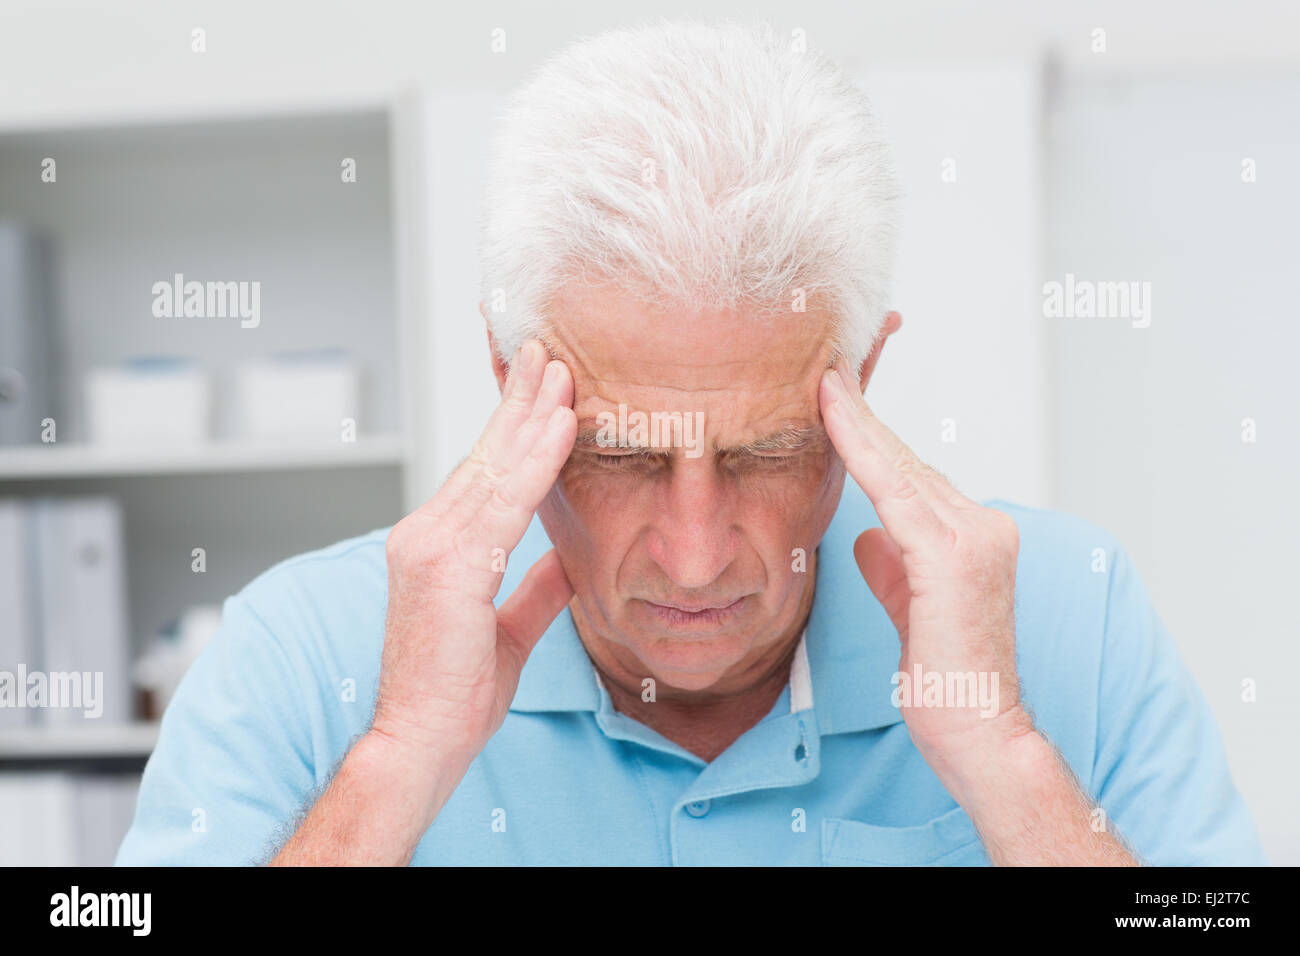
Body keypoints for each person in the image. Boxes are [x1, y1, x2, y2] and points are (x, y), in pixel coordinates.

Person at [116, 19, 1265, 866]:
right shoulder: (301, 651)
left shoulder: (1068, 615)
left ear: (860, 383)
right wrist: (399, 758)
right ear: (508, 378)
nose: (698, 553)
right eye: (619, 456)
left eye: (766, 450)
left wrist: (1009, 762)